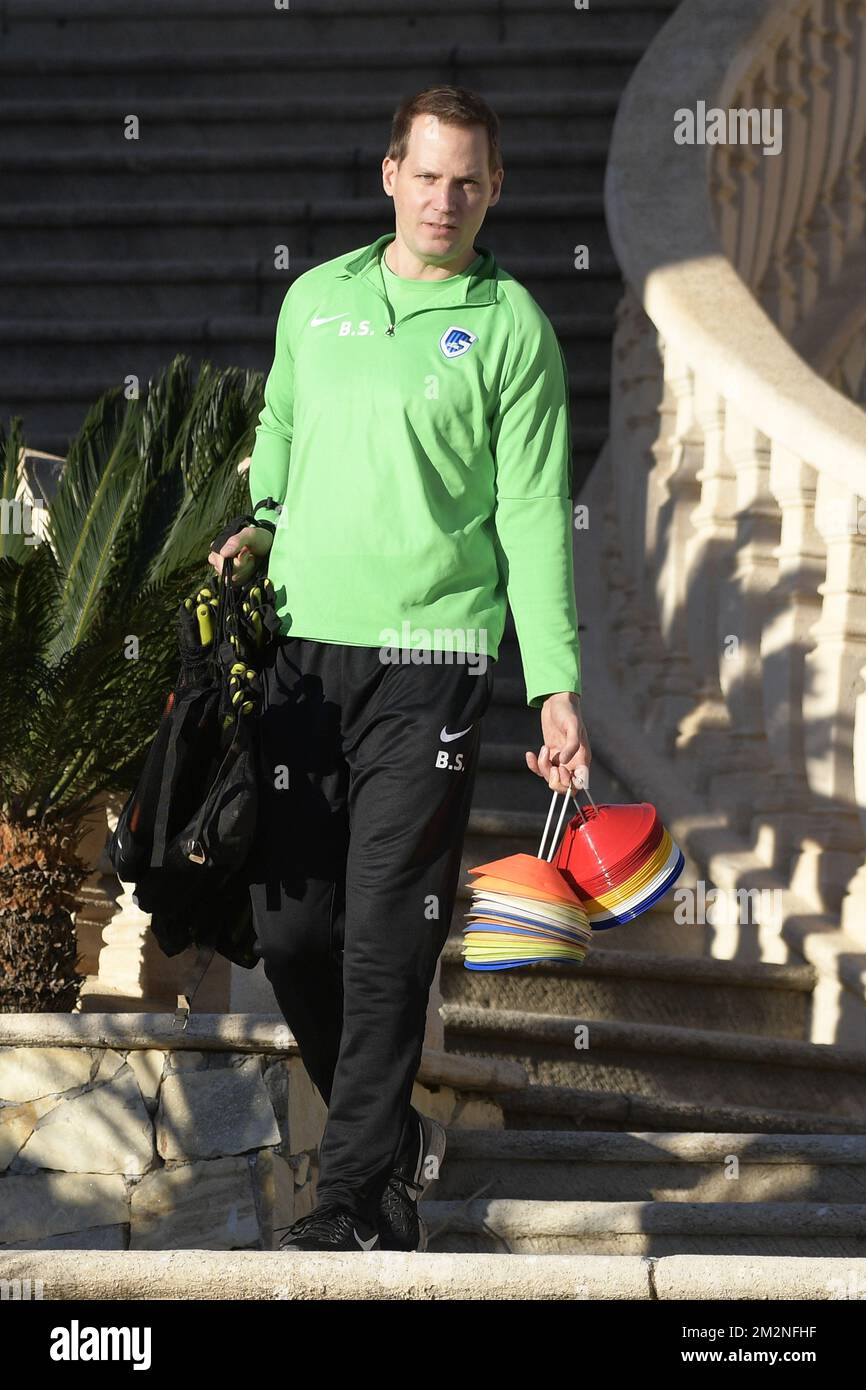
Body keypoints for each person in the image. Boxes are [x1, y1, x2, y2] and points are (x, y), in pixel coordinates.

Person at [208, 85, 591, 1253]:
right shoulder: (314, 300)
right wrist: (258, 522)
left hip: (434, 658)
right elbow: (277, 427)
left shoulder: (511, 325)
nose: (444, 199)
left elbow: (530, 513)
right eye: (426, 176)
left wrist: (554, 681)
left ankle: (343, 1197)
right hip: (302, 659)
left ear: (494, 191)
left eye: (467, 180)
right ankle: (392, 1146)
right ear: (389, 176)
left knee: (387, 930)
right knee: (289, 927)